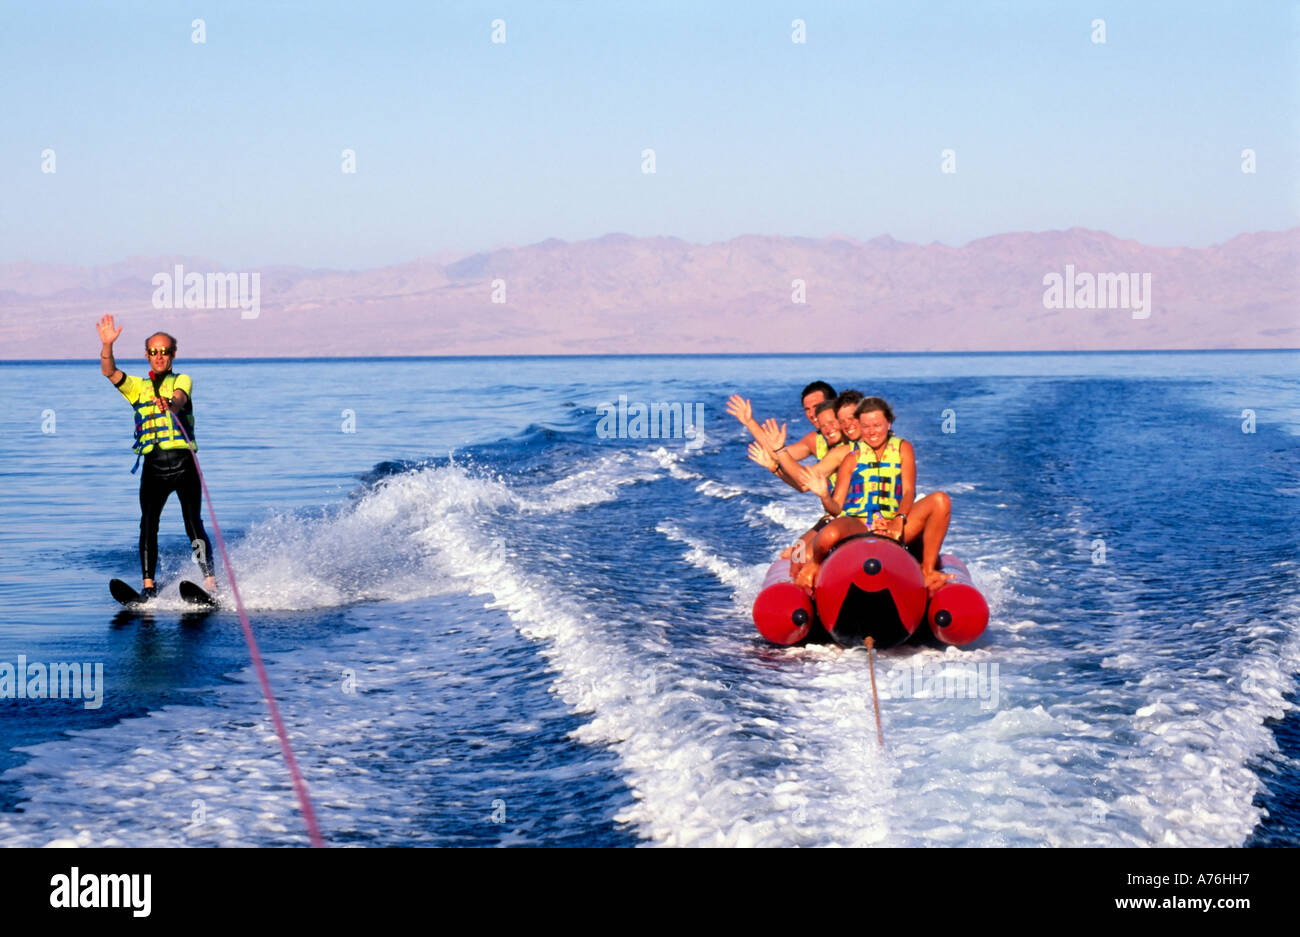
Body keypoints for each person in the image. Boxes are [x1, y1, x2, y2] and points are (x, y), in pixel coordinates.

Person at [97, 315, 216, 598]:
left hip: (184, 465)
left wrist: (170, 405)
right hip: (154, 467)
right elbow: (109, 372)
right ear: (147, 355)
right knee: (148, 523)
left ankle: (210, 581)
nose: (159, 356)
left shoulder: (182, 380)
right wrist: (106, 346)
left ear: (172, 354)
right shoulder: (137, 387)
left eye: (164, 351)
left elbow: (180, 399)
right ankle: (148, 586)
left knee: (192, 522)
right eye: (153, 351)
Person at [794, 396, 953, 594]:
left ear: (889, 422)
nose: (872, 431)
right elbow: (836, 508)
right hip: (859, 524)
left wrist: (898, 519)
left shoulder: (903, 448)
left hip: (894, 523)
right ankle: (816, 565)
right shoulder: (851, 458)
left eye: (877, 425)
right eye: (866, 426)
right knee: (828, 536)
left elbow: (908, 491)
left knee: (940, 500)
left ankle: (927, 571)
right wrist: (824, 496)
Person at [726, 381, 844, 492]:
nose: (812, 414)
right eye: (807, 409)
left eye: (817, 406)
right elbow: (778, 455)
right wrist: (749, 422)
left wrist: (778, 452)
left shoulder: (852, 437)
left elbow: (803, 482)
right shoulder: (815, 440)